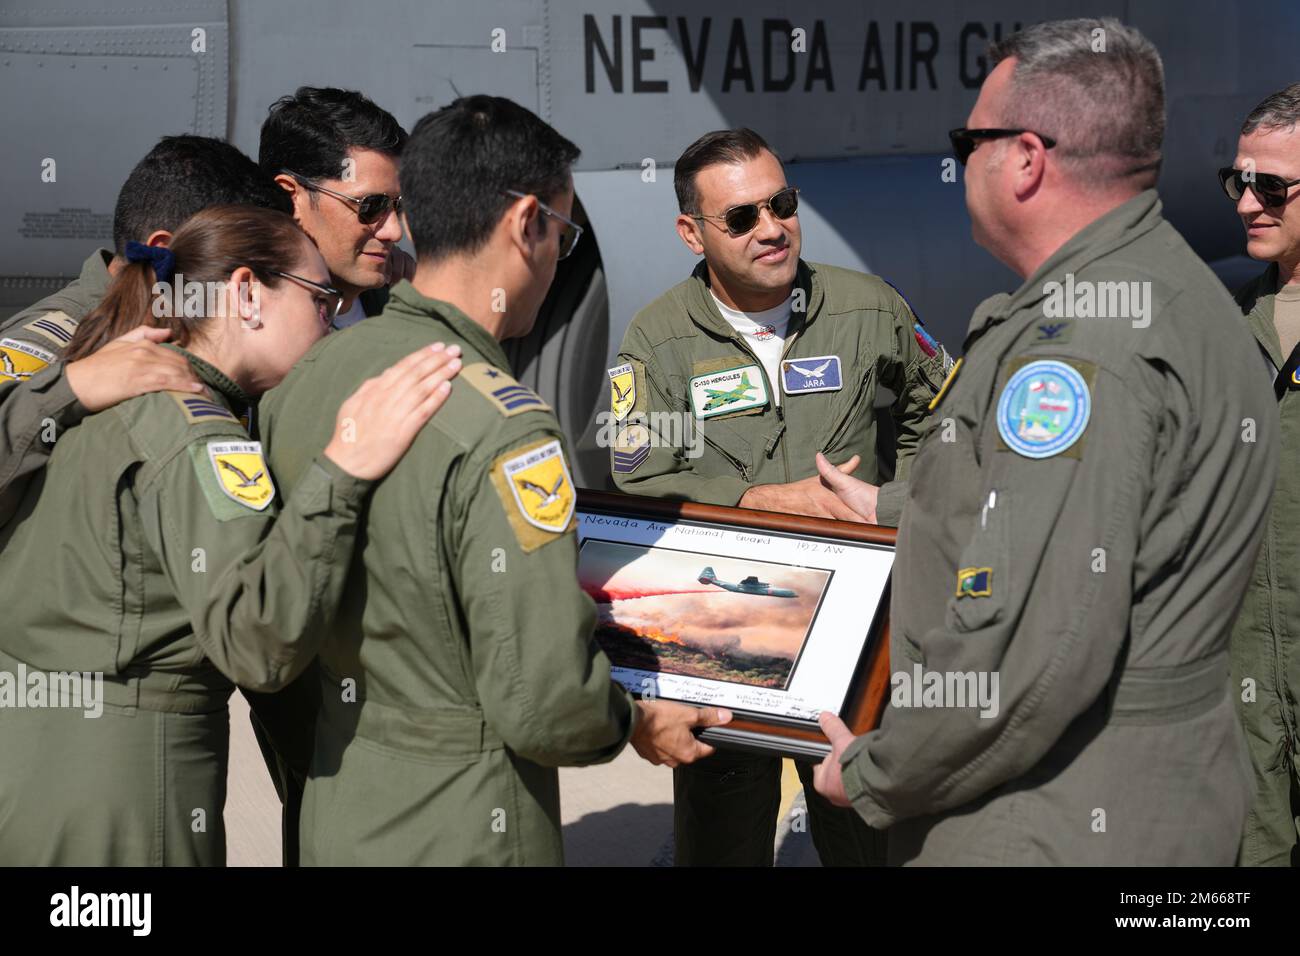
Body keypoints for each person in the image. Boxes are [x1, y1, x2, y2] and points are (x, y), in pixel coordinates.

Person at [811, 17, 1277, 865]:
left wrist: (876, 772)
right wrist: (893, 503)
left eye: (970, 140)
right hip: (1159, 804)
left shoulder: (1083, 347)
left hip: (1048, 819)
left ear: (1026, 158)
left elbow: (1028, 652)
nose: (963, 163)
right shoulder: (1177, 291)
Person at [258, 95, 730, 865]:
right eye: (563, 233)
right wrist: (634, 721)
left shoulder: (310, 376)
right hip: (467, 825)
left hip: (339, 807)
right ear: (526, 225)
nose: (557, 257)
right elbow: (546, 706)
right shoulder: (509, 430)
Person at [0, 205, 460, 865]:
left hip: (30, 777)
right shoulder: (203, 436)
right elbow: (260, 643)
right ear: (246, 293)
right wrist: (343, 472)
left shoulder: (99, 395)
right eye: (321, 300)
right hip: (130, 798)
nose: (330, 324)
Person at [611, 127, 951, 866]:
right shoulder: (657, 342)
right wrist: (762, 500)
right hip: (733, 635)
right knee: (723, 833)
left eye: (782, 204)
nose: (771, 229)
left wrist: (896, 510)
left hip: (857, 632)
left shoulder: (868, 307)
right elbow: (639, 477)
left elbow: (943, 412)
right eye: (740, 217)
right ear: (690, 233)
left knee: (865, 832)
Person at [0, 135, 293, 518]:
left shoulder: (192, 337)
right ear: (162, 252)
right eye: (241, 265)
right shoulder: (51, 344)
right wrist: (73, 388)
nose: (247, 288)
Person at [1220, 83, 1300, 867]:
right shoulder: (1219, 331)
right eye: (1237, 182)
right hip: (1247, 694)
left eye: (1271, 187)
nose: (1247, 203)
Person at [259, 86, 413, 328]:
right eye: (371, 206)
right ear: (290, 198)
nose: (394, 232)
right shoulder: (246, 325)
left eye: (399, 206)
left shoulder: (400, 306)